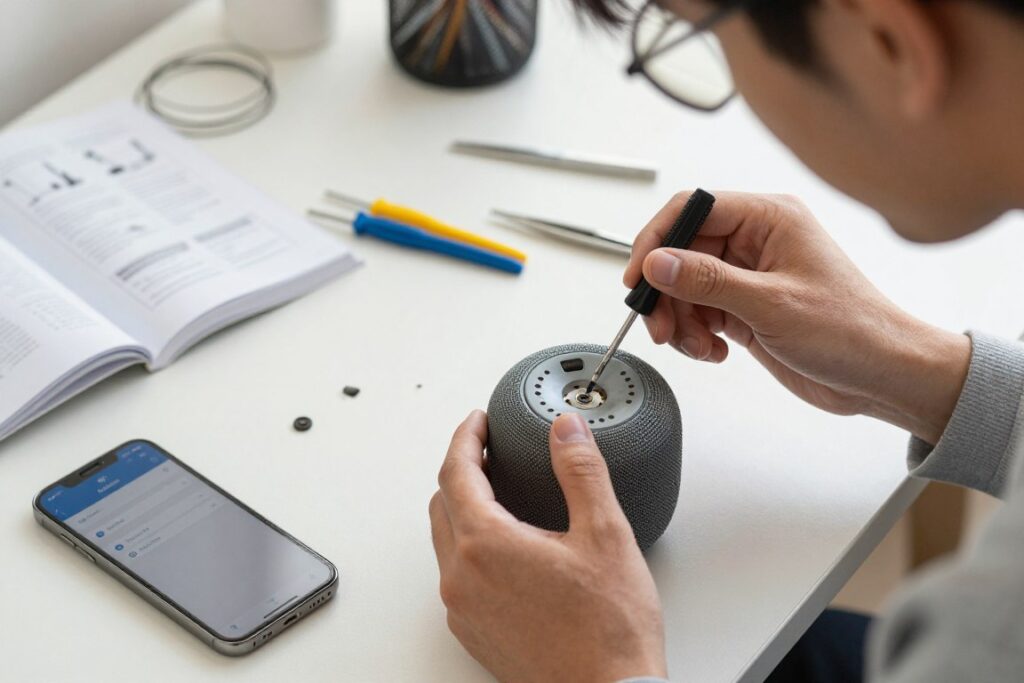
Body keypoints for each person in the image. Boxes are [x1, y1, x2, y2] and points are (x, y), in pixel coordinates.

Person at [427, 0, 1024, 680]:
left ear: (888, 41)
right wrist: (921, 373)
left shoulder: (988, 628)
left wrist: (603, 665)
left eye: (705, 40)